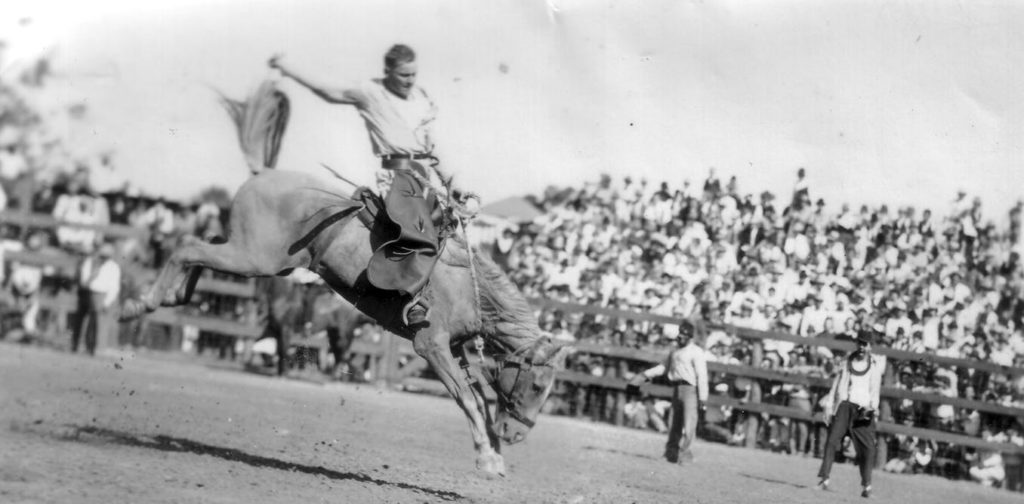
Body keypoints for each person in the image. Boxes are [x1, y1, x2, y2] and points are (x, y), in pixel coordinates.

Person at [270, 44, 458, 327]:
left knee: (451, 232)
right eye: (404, 75)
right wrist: (286, 67)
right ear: (389, 72)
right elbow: (328, 90)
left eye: (413, 74)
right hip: (397, 176)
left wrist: (453, 186)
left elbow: (433, 148)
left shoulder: (422, 99)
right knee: (422, 233)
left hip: (426, 176)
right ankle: (411, 301)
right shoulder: (371, 93)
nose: (410, 80)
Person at [626, 319, 709, 464]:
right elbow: (664, 368)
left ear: (689, 337)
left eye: (683, 335)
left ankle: (685, 455)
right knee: (674, 423)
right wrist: (645, 375)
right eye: (680, 334)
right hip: (677, 388)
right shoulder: (675, 351)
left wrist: (703, 397)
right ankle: (670, 453)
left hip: (690, 389)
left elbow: (702, 375)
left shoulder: (696, 352)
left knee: (689, 425)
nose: (680, 337)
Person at [816, 328, 886, 498]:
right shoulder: (847, 361)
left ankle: (867, 486)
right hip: (845, 406)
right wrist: (829, 406)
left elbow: (875, 390)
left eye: (866, 344)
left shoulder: (874, 365)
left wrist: (872, 408)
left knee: (867, 449)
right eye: (860, 343)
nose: (862, 347)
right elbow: (836, 384)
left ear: (870, 346)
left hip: (864, 409)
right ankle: (824, 478)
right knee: (832, 441)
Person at [72, 242, 122, 355]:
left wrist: (107, 302)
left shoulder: (113, 267)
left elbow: (114, 287)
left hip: (103, 295)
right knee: (84, 320)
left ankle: (96, 348)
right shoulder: (90, 263)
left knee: (99, 322)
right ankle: (78, 345)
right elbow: (84, 282)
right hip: (88, 293)